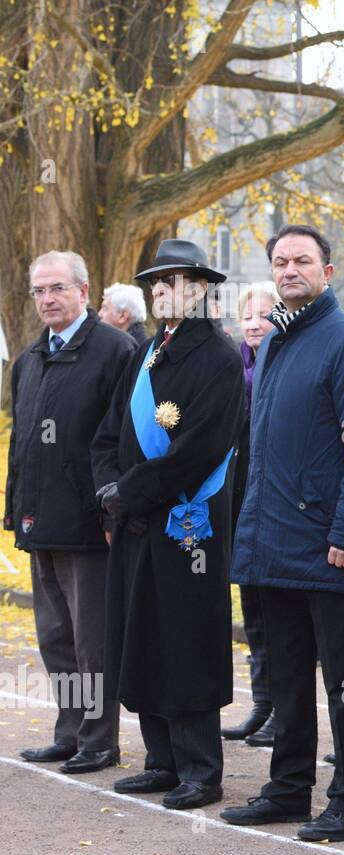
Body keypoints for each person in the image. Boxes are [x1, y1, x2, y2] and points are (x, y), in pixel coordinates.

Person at [223, 224, 344, 843]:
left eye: (302, 260)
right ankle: (288, 787)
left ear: (327, 270)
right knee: (288, 678)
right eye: (280, 261)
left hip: (330, 547)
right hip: (273, 542)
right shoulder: (273, 340)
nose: (290, 269)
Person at [90, 239, 244, 809]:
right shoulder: (147, 351)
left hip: (187, 526)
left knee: (187, 640)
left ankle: (201, 770)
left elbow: (201, 448)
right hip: (135, 522)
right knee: (142, 637)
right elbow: (108, 433)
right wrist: (109, 488)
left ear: (200, 289)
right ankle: (161, 761)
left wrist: (129, 492)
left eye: (172, 281)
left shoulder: (220, 357)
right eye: (155, 282)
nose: (160, 290)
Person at [8, 250, 134, 774]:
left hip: (89, 524)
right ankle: (71, 731)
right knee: (56, 638)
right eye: (39, 290)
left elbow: (122, 441)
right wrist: (16, 508)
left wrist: (112, 514)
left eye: (57, 288)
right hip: (41, 521)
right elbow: (22, 443)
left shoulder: (115, 350)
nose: (47, 299)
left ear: (84, 291)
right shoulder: (29, 359)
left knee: (92, 642)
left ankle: (99, 740)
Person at [223, 282, 278, 745]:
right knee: (254, 611)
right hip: (240, 502)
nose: (254, 324)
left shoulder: (282, 363)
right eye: (247, 316)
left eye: (264, 315)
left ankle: (284, 708)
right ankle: (262, 704)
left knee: (281, 615)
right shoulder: (233, 366)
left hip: (276, 505)